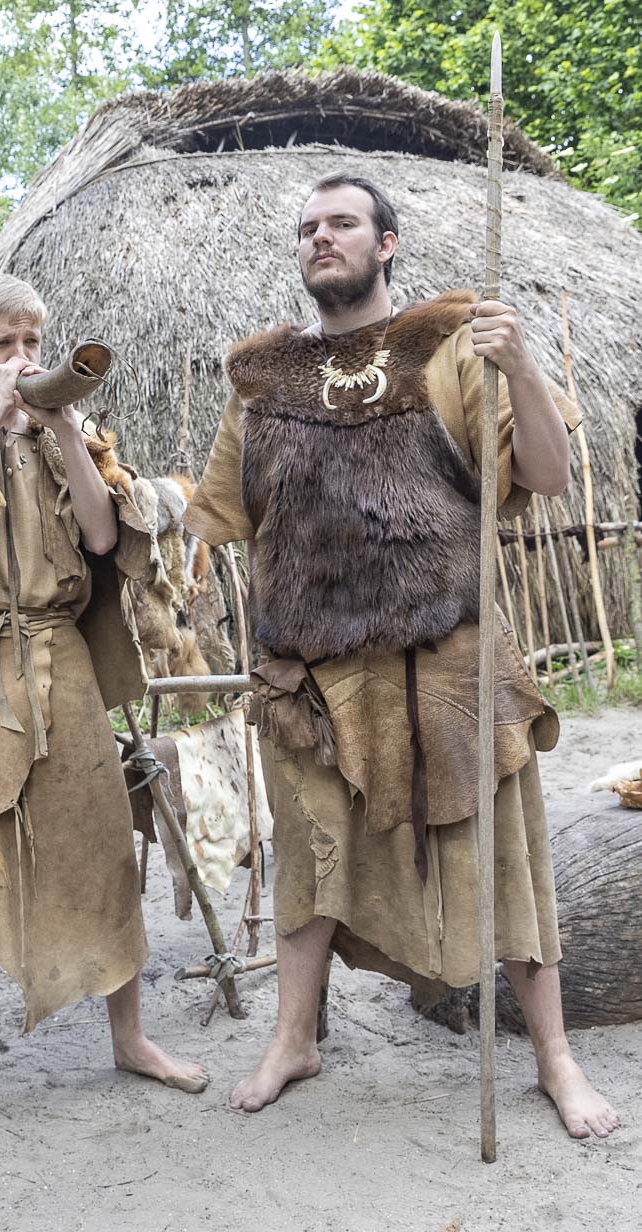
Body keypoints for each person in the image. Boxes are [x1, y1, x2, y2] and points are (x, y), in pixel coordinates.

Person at [184, 172, 619, 1139]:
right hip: (310, 673)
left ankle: (554, 1056)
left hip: (448, 660)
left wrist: (527, 370)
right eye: (307, 227)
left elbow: (543, 476)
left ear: (387, 242)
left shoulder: (453, 345)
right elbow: (220, 516)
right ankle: (296, 1037)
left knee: (502, 859)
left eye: (342, 223)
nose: (320, 238)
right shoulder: (259, 376)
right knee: (310, 862)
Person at [0, 274, 206, 1131]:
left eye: (32, 344)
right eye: (3, 346)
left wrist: (56, 422)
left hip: (62, 662)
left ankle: (130, 1040)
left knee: (101, 849)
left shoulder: (71, 435)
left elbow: (99, 537)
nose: (22, 359)